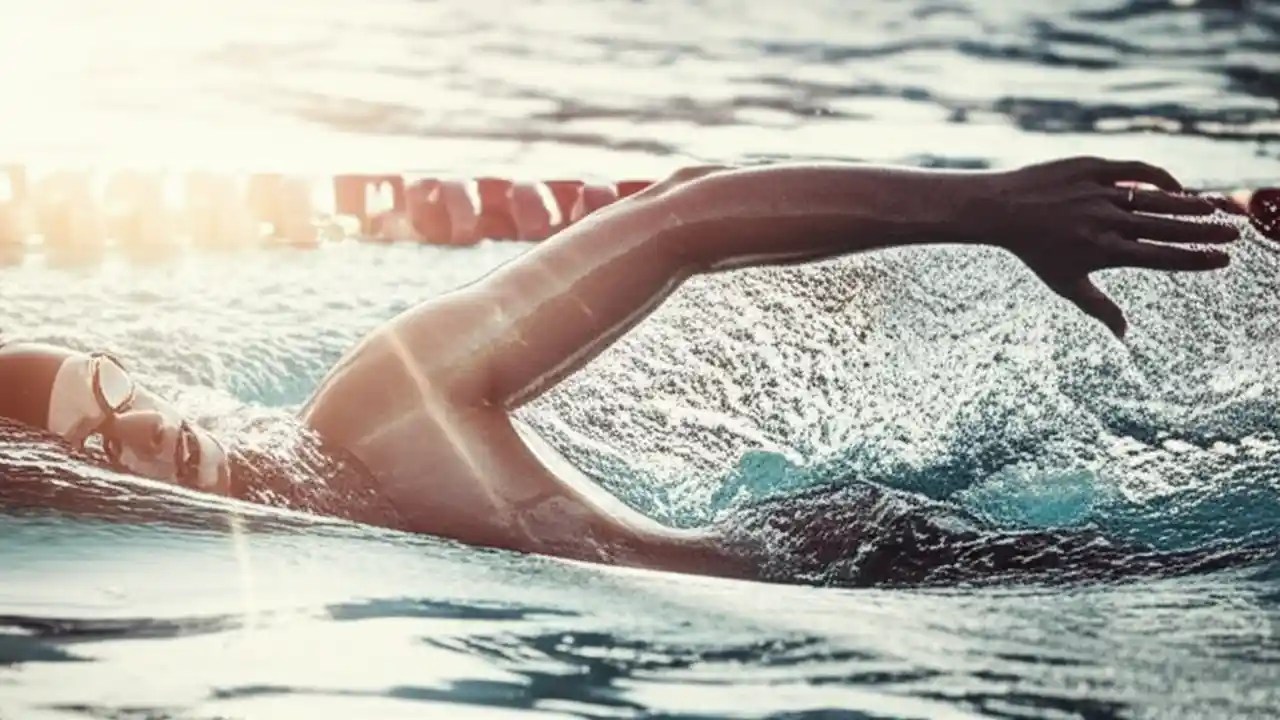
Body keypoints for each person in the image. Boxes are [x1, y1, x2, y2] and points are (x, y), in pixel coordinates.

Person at [0, 156, 1253, 584]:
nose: (134, 421)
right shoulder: (321, 524)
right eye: (92, 427)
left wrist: (985, 207)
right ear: (66, 481)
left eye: (118, 382)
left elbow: (676, 227)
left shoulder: (381, 409)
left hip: (885, 556)